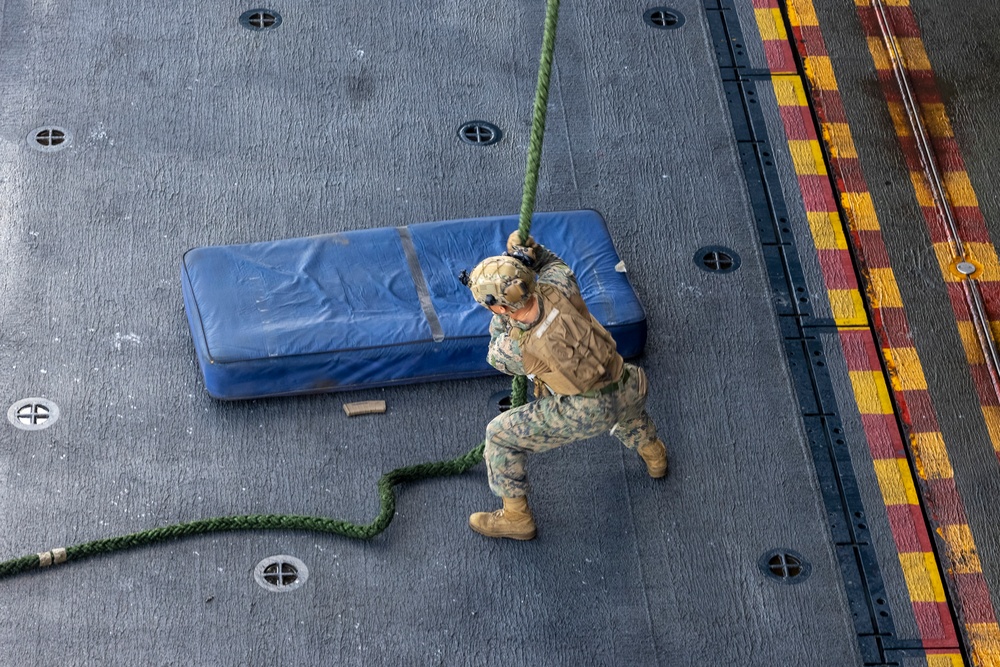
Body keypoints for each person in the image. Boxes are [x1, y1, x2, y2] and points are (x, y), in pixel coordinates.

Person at [462, 231, 667, 540]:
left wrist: (502, 318)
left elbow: (496, 355)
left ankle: (517, 519)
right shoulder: (558, 284)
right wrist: (532, 252)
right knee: (627, 414)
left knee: (500, 436)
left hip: (585, 409)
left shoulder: (518, 348)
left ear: (501, 308)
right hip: (624, 380)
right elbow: (552, 261)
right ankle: (656, 457)